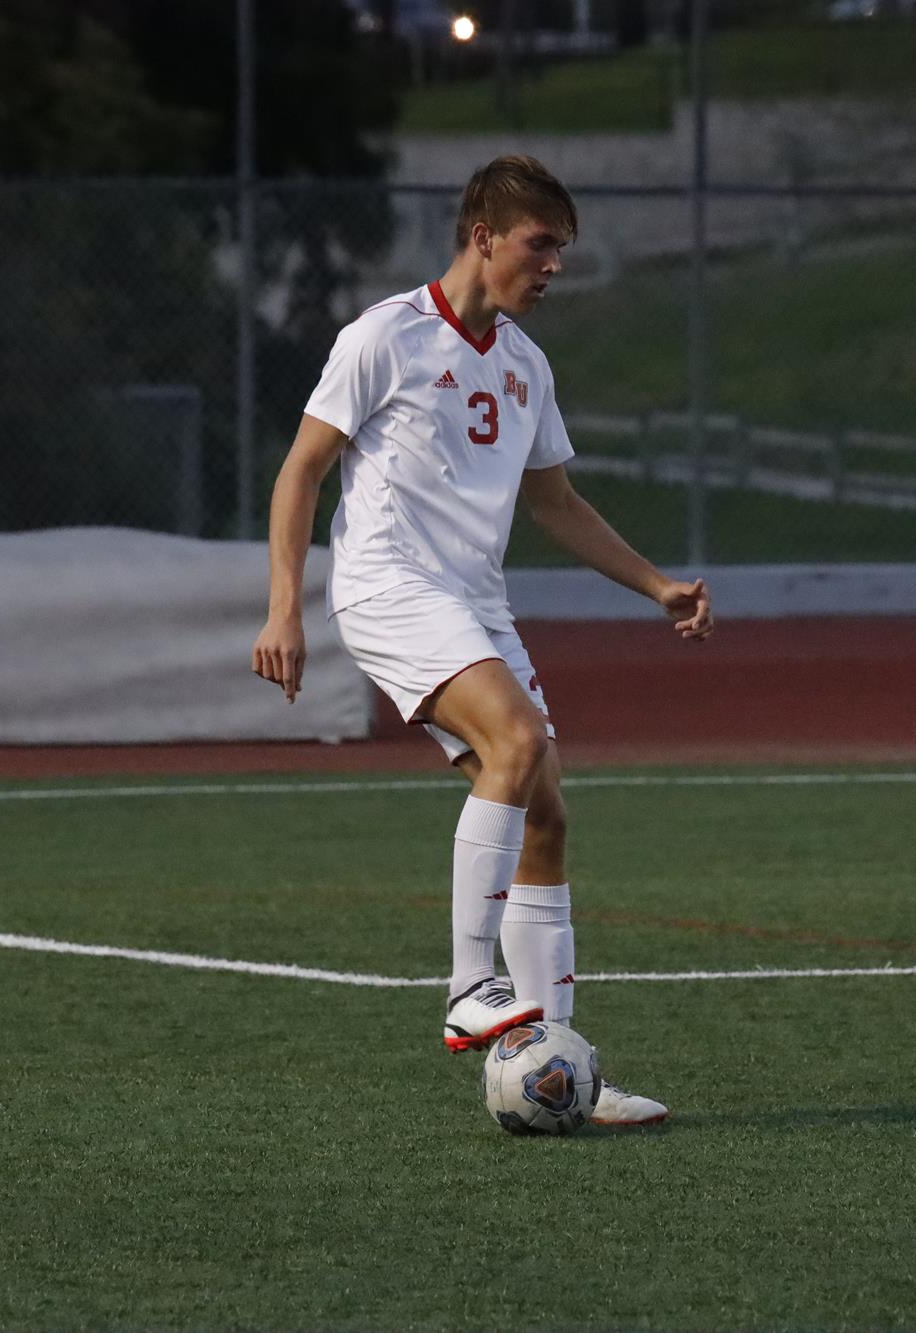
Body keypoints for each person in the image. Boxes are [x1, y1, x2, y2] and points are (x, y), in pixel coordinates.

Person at [251, 155, 712, 1127]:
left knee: (545, 813)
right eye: (539, 245)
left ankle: (561, 1068)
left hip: (472, 603)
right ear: (482, 237)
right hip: (388, 587)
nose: (553, 266)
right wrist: (283, 607)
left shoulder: (525, 365)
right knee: (516, 739)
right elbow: (301, 471)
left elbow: (557, 504)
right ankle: (469, 985)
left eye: (561, 250)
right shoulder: (384, 336)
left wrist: (655, 584)